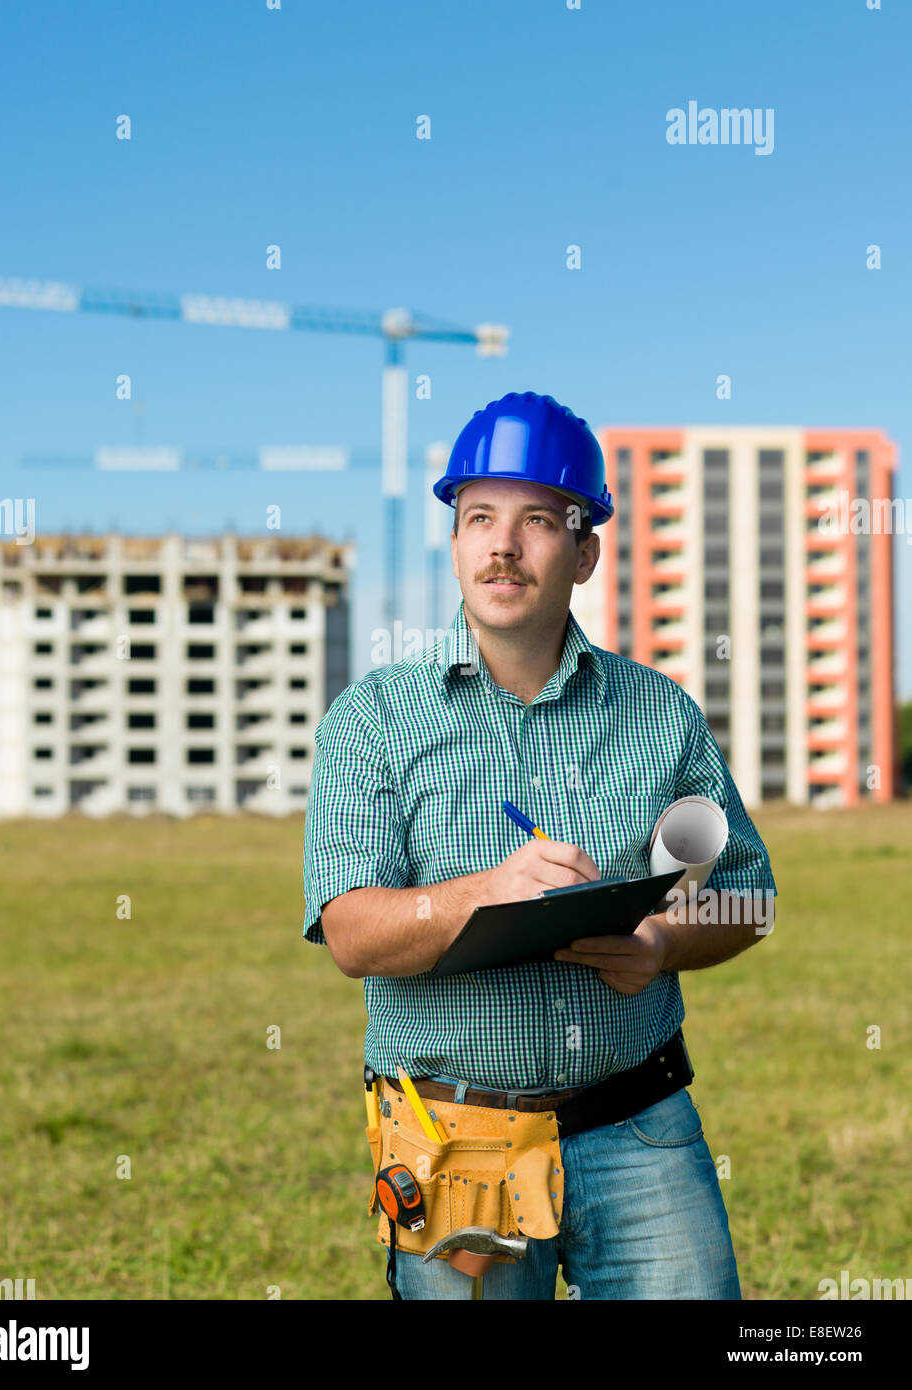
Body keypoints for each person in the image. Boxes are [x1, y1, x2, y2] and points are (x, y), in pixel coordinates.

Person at [302, 391, 777, 1300]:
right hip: (457, 1147)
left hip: (642, 1128)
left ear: (586, 548)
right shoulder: (369, 722)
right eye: (478, 516)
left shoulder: (658, 712)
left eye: (537, 520)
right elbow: (353, 934)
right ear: (454, 542)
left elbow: (749, 899)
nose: (502, 546)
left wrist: (665, 943)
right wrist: (484, 892)